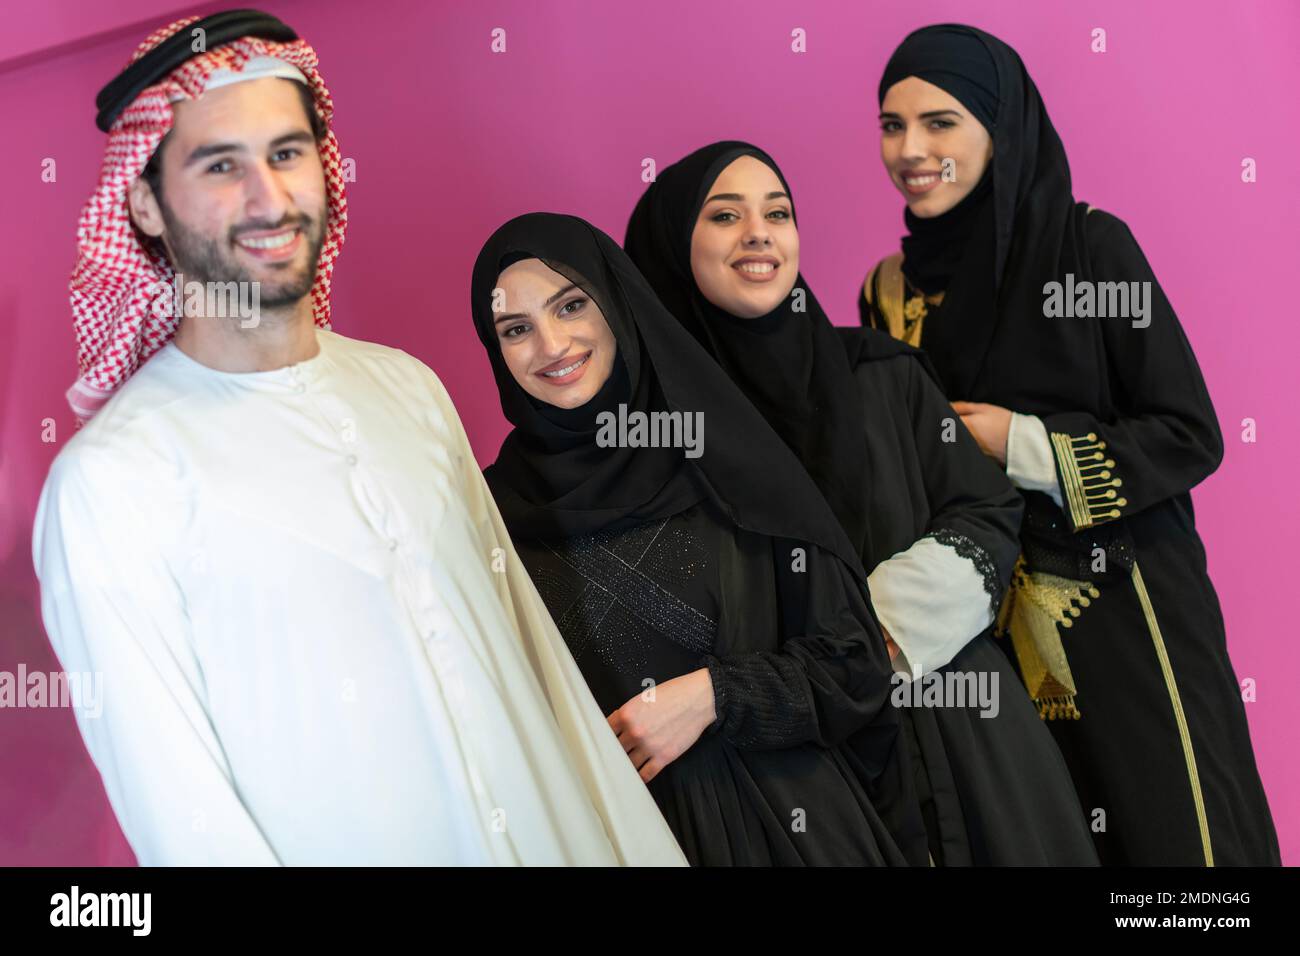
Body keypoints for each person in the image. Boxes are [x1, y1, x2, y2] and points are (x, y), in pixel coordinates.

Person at [32, 10, 685, 866]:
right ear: (147, 204)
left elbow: (540, 673)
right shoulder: (114, 484)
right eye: (221, 164)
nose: (268, 197)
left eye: (287, 152)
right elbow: (189, 829)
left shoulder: (408, 389)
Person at [860, 23, 1280, 865]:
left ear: (999, 127)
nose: (910, 149)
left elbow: (1189, 433)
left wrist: (1020, 442)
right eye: (891, 124)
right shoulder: (888, 292)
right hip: (982, 628)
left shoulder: (1089, 249)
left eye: (940, 122)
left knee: (1175, 841)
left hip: (1129, 613)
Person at [625, 140, 1098, 865]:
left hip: (961, 737)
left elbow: (986, 513)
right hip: (785, 766)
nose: (759, 232)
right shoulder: (654, 437)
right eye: (725, 215)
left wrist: (861, 636)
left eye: (777, 213)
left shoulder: (883, 375)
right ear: (668, 246)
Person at [470, 211, 931, 866]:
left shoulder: (720, 459)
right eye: (516, 328)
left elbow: (854, 664)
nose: (551, 344)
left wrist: (713, 695)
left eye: (572, 304)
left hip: (791, 833)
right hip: (614, 844)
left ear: (618, 304)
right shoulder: (491, 515)